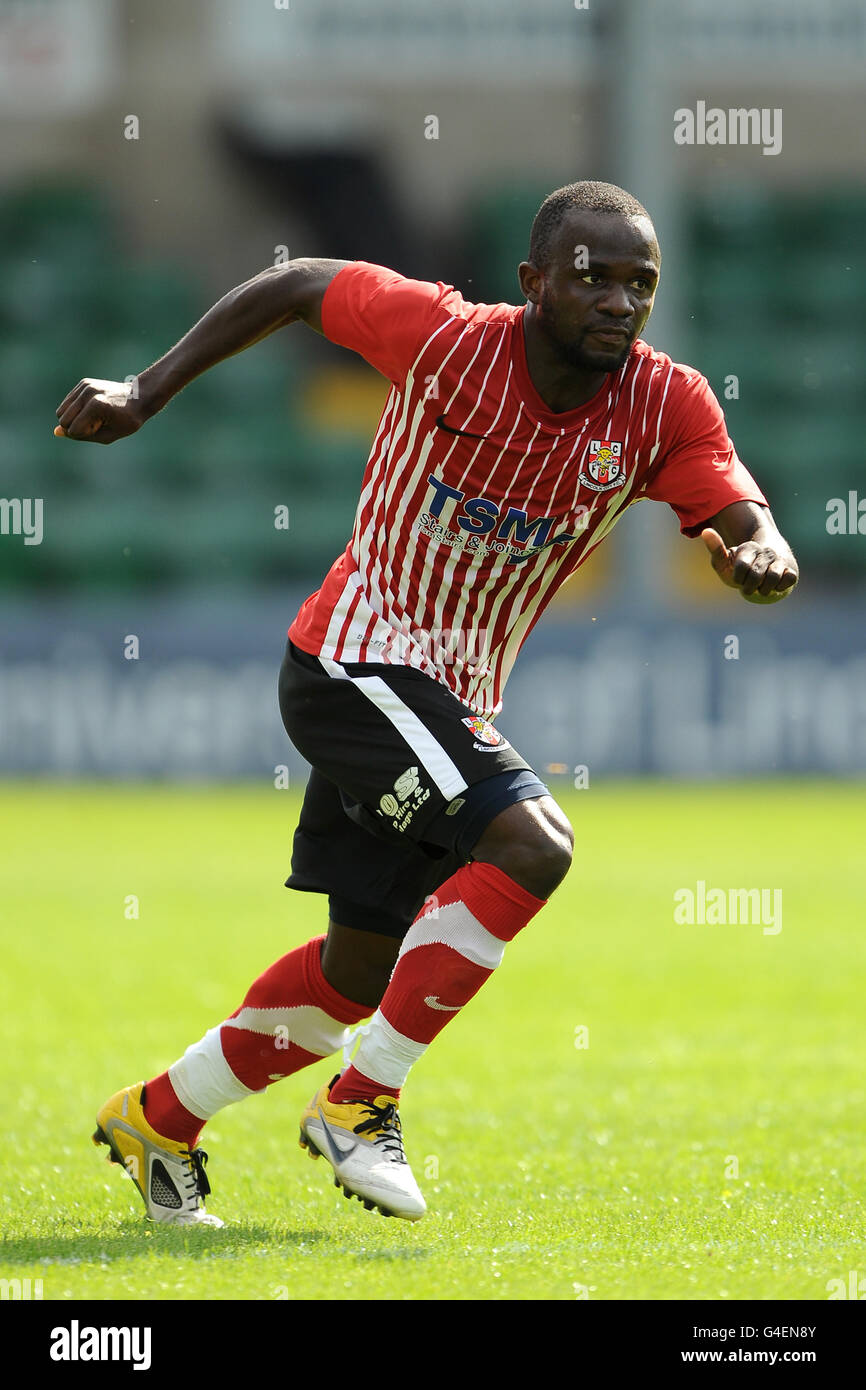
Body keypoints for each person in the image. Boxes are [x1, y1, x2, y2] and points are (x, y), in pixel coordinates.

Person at [55, 181, 798, 1226]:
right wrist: (148, 387)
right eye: (594, 279)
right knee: (532, 844)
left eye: (640, 284)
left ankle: (157, 1116)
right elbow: (295, 284)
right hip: (351, 662)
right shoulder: (444, 340)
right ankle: (361, 1102)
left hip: (444, 697)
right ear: (534, 281)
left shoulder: (662, 404)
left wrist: (759, 548)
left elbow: (734, 501)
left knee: (358, 971)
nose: (619, 302)